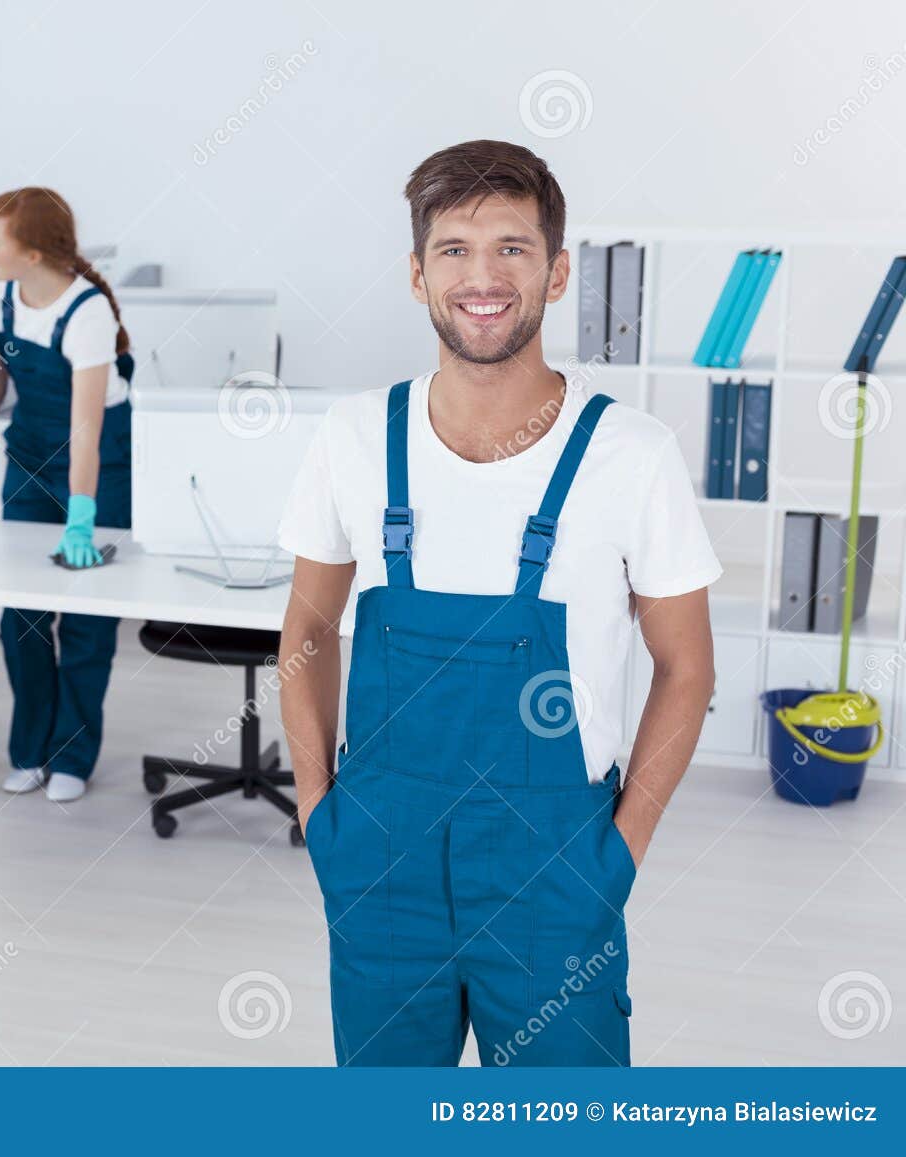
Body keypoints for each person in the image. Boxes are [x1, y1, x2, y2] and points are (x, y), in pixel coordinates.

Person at [277, 140, 721, 1067]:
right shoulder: (355, 436)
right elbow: (311, 625)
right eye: (454, 249)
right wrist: (321, 813)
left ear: (558, 273)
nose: (483, 277)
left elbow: (686, 667)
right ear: (416, 273)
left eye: (513, 248)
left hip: (557, 869)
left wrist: (616, 858)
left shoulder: (633, 455)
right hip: (379, 861)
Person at [0, 188, 134, 803]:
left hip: (99, 463)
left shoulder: (87, 315)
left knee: (86, 615)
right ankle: (29, 748)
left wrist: (81, 520)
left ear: (30, 254)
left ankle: (73, 755)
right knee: (19, 613)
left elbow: (88, 431)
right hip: (29, 458)